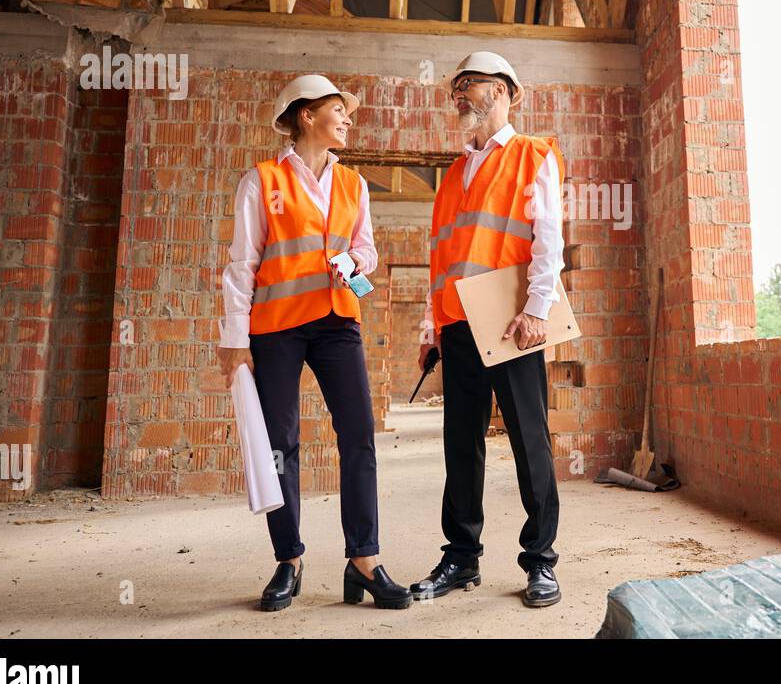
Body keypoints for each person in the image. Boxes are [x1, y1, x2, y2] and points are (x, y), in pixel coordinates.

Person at [216, 74, 412, 611]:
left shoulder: (353, 184)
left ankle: (364, 561)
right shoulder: (261, 181)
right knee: (281, 444)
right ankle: (289, 560)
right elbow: (242, 265)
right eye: (337, 110)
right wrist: (235, 340)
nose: (347, 119)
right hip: (276, 326)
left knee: (359, 435)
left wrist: (353, 261)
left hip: (337, 320)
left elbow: (367, 251)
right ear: (307, 116)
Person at [410, 51, 564, 608]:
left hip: (511, 322)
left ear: (500, 91)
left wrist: (539, 309)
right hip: (458, 324)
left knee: (529, 440)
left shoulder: (532, 155)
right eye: (455, 90)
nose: (458, 97)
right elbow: (442, 258)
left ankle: (541, 560)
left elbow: (549, 239)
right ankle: (461, 557)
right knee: (461, 446)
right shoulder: (454, 174)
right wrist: (432, 325)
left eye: (468, 86)